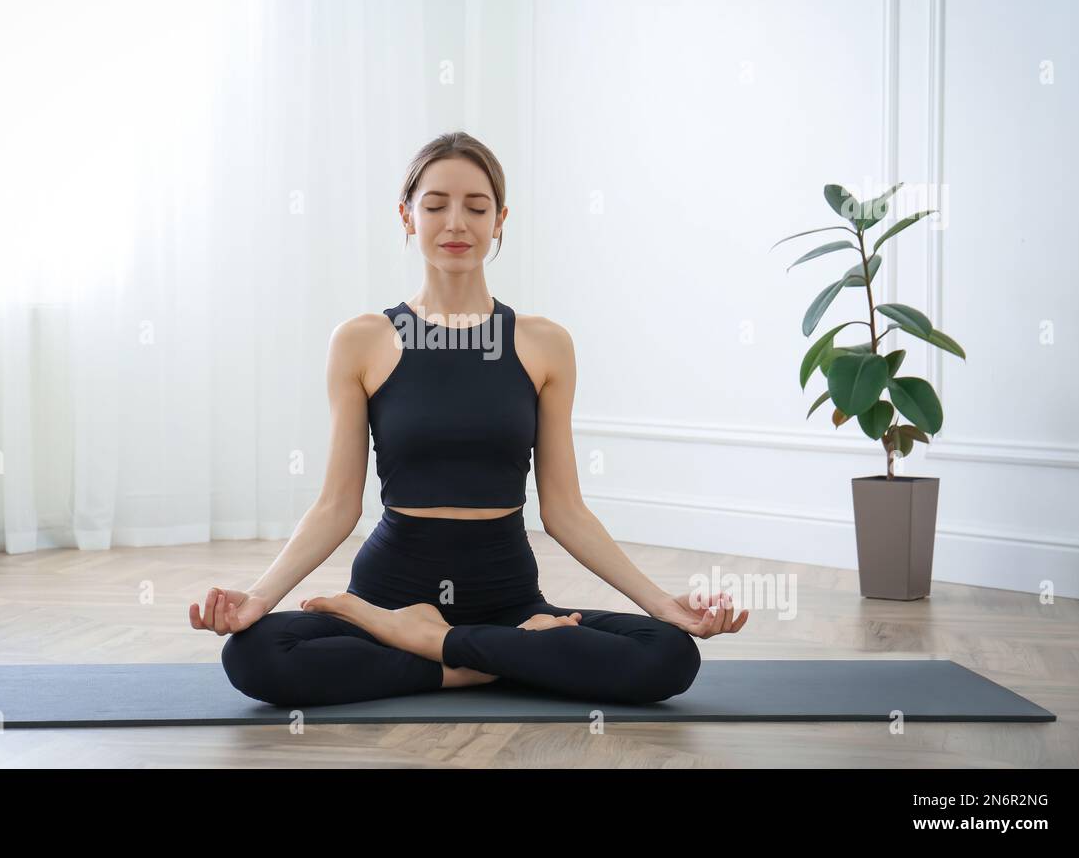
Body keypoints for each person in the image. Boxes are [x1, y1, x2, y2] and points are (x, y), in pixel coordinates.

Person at [189, 131, 748, 707]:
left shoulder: (544, 343)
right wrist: (258, 596)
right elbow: (337, 506)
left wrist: (662, 605)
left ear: (500, 219)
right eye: (434, 206)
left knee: (669, 655)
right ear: (406, 217)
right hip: (389, 594)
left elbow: (565, 511)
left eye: (476, 207)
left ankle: (430, 645)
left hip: (507, 597)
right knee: (254, 656)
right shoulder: (362, 341)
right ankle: (488, 657)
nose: (456, 222)